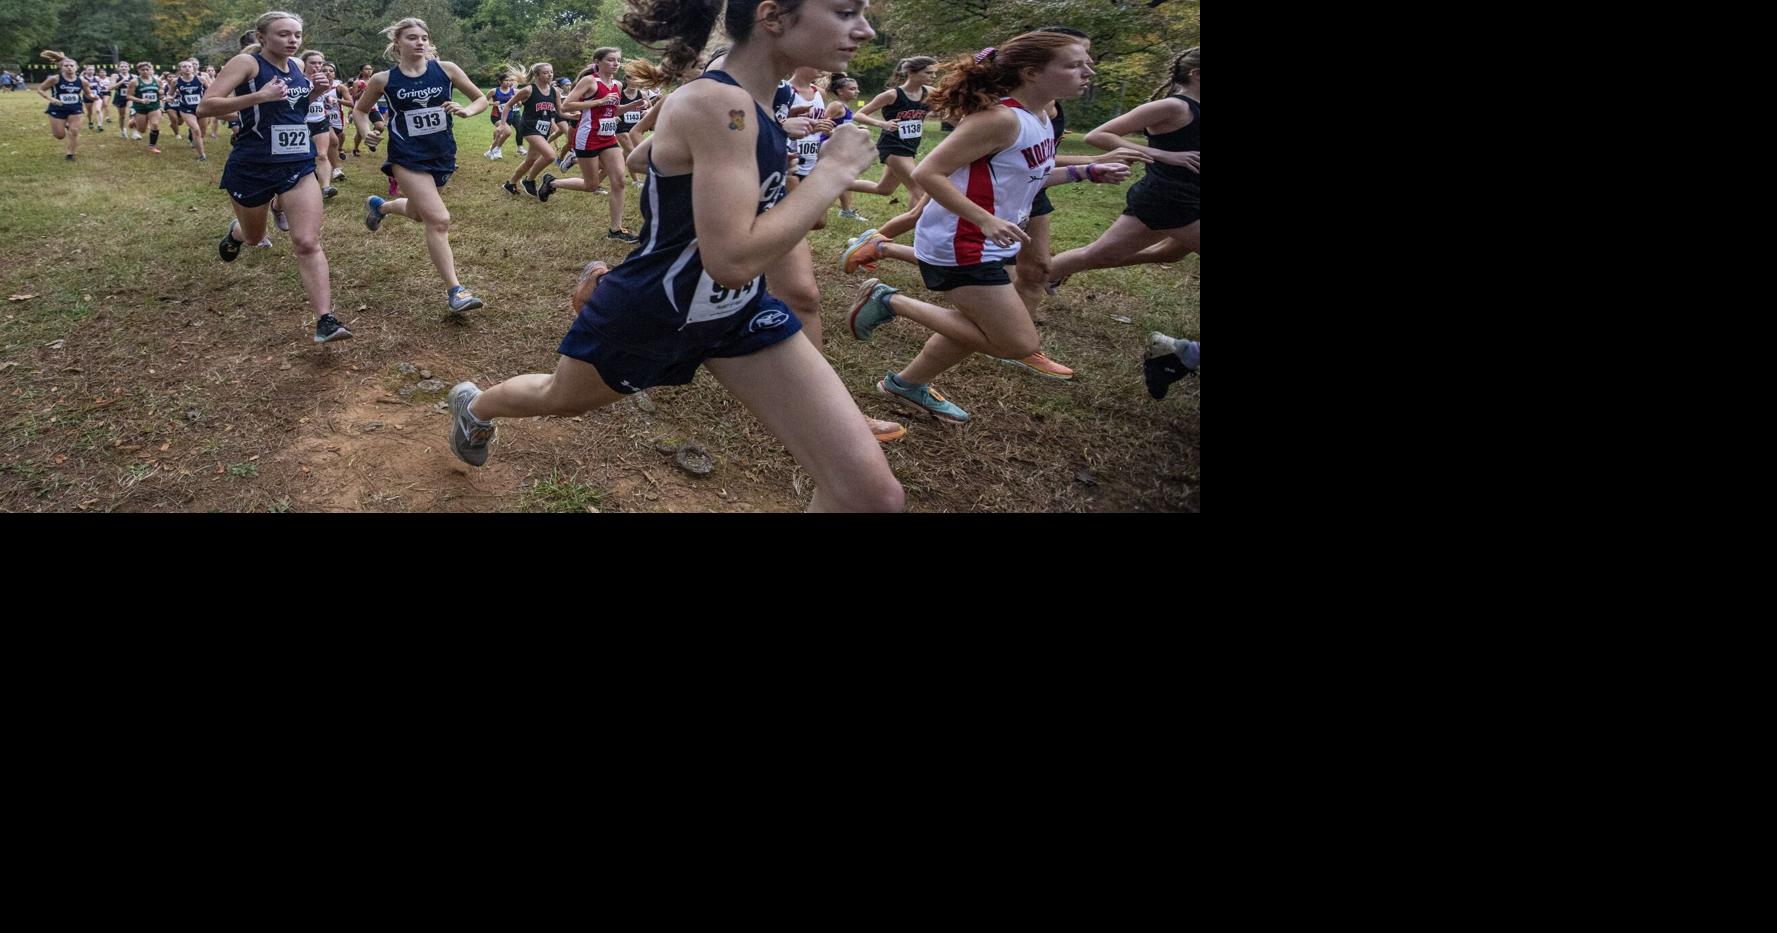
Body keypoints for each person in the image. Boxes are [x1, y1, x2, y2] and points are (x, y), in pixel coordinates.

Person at [448, 0, 903, 512]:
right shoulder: (717, 104)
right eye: (845, 12)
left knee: (870, 496)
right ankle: (476, 406)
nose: (864, 30)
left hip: (738, 313)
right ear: (772, 17)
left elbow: (732, 214)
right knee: (558, 397)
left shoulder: (760, 103)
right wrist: (831, 175)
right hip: (656, 310)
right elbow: (729, 261)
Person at [845, 32, 1115, 426]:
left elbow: (1033, 174)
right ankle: (887, 299)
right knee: (1017, 342)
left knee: (980, 326)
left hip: (991, 242)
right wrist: (985, 220)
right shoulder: (999, 119)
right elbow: (929, 173)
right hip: (963, 242)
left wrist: (1085, 171)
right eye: (1074, 64)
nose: (1087, 71)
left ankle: (907, 383)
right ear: (1032, 72)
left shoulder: (1039, 117)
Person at [198, 10, 351, 344]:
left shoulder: (296, 67)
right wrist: (258, 96)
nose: (292, 40)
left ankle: (325, 320)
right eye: (283, 34)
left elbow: (291, 111)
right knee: (255, 237)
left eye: (296, 34)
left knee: (307, 242)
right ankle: (237, 235)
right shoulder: (247, 64)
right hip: (252, 165)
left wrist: (313, 95)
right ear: (262, 37)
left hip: (296, 162)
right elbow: (205, 107)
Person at [354, 16, 490, 316]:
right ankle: (456, 291)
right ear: (397, 43)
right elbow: (360, 110)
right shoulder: (384, 79)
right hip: (406, 156)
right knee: (438, 219)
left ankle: (381, 207)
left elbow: (480, 99)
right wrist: (368, 134)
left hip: (442, 154)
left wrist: (466, 110)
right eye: (412, 38)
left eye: (424, 38)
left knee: (418, 213)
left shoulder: (446, 69)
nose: (420, 42)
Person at [1048, 48, 1200, 289]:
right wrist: (1162, 154)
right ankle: (1029, 283)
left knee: (1166, 253)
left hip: (1186, 196)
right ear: (1196, 74)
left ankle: (1043, 276)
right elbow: (1098, 135)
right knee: (1097, 253)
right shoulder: (1174, 107)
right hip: (1170, 199)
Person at [538, 47, 647, 240]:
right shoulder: (589, 81)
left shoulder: (617, 85)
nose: (616, 64)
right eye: (611, 60)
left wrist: (633, 106)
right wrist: (599, 101)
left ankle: (615, 230)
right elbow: (566, 105)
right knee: (591, 185)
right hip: (587, 137)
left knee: (619, 180)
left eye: (618, 60)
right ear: (598, 61)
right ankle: (552, 182)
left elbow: (613, 111)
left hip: (608, 137)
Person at [844, 56, 936, 204]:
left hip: (911, 146)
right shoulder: (892, 95)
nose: (933, 76)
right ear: (911, 73)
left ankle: (834, 183)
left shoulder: (930, 92)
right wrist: (882, 124)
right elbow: (859, 114)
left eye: (933, 73)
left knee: (884, 189)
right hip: (893, 146)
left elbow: (938, 110)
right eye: (928, 73)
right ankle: (914, 226)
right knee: (918, 189)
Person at [499, 62, 562, 196]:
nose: (550, 75)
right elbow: (508, 105)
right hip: (529, 127)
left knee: (530, 161)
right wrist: (502, 124)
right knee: (550, 156)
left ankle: (511, 184)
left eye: (551, 72)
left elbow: (560, 112)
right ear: (537, 75)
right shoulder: (528, 90)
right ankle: (529, 180)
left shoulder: (554, 91)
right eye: (546, 72)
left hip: (543, 128)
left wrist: (572, 116)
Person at [35, 53, 90, 161]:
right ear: (61, 68)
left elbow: (88, 93)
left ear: (76, 68)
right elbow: (40, 89)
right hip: (57, 108)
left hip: (75, 108)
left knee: (74, 131)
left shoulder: (83, 81)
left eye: (71, 66)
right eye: (66, 66)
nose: (69, 67)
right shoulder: (55, 79)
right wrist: (51, 99)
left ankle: (70, 154)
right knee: (59, 135)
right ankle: (65, 127)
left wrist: (93, 97)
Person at [166, 59, 209, 160]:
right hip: (186, 108)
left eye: (189, 66)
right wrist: (169, 98)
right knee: (196, 129)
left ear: (193, 68)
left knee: (202, 132)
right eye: (184, 66)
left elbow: (211, 90)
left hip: (201, 108)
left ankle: (194, 138)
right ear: (180, 69)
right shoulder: (176, 81)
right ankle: (202, 155)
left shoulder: (200, 79)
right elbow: (169, 94)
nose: (187, 68)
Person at [124, 61, 163, 151]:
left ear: (151, 70)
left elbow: (161, 91)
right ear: (138, 70)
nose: (145, 71)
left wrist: (161, 92)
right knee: (142, 130)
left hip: (154, 106)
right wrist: (141, 100)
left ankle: (152, 146)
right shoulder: (134, 82)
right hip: (140, 107)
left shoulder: (157, 80)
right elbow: (129, 96)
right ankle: (133, 121)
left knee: (155, 124)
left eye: (147, 69)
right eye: (142, 70)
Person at [484, 68, 518, 159]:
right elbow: (483, 102)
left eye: (509, 81)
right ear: (500, 81)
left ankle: (490, 151)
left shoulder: (513, 91)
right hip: (496, 116)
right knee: (507, 132)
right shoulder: (494, 91)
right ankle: (497, 149)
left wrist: (516, 101)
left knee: (499, 134)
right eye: (506, 80)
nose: (508, 82)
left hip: (509, 116)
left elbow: (520, 105)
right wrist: (492, 103)